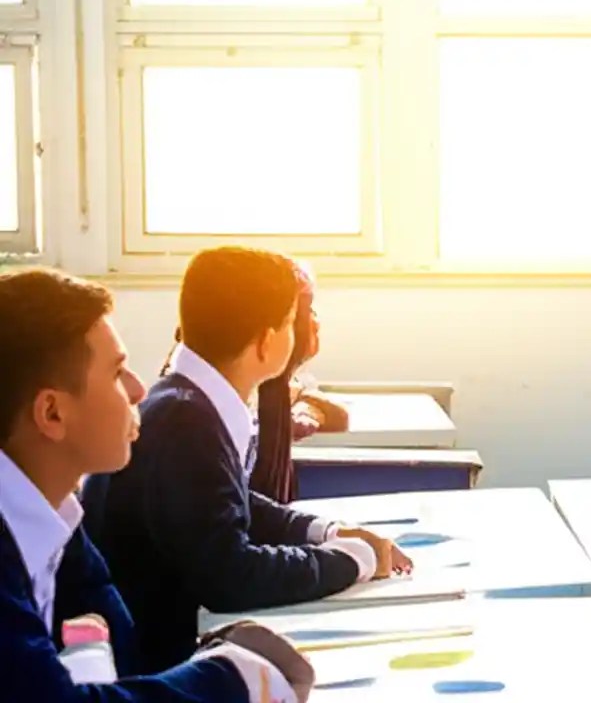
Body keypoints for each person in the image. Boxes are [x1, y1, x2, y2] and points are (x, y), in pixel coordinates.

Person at [82, 246, 411, 673]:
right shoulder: (185, 421)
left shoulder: (186, 399)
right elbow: (231, 576)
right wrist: (351, 561)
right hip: (152, 665)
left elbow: (228, 502)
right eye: (291, 321)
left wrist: (321, 531)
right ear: (266, 341)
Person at [0, 267, 311, 702]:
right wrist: (229, 680)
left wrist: (206, 657)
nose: (138, 389)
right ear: (52, 413)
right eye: (116, 373)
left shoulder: (57, 517)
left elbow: (125, 655)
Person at [250, 259, 347, 503]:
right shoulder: (251, 397)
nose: (315, 321)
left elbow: (339, 416)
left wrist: (307, 404)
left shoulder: (278, 384)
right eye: (305, 311)